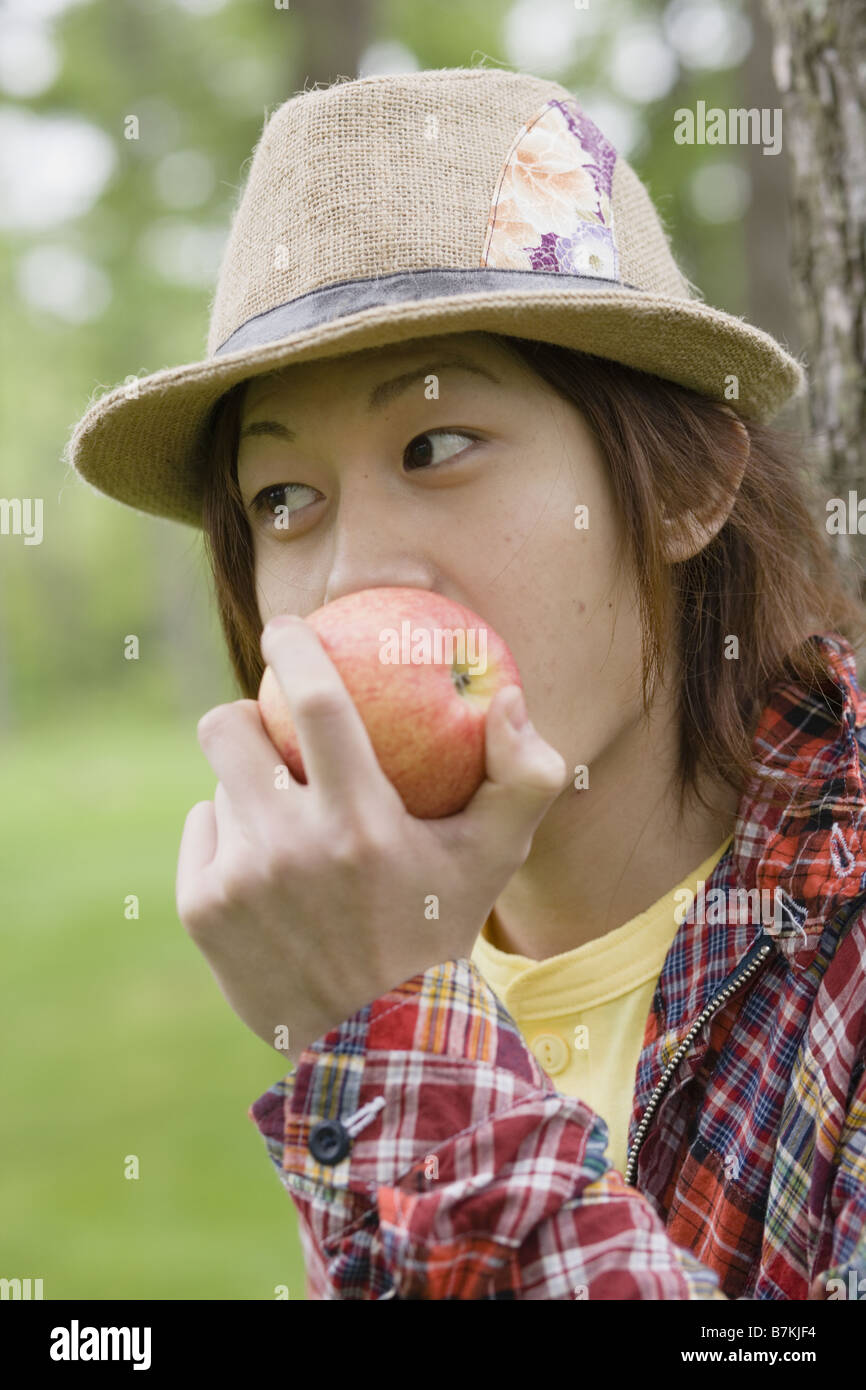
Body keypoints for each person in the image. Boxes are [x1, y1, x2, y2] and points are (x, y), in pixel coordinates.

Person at [66, 67, 866, 1301]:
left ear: (689, 482)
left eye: (435, 446)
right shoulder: (378, 941)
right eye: (283, 499)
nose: (350, 573)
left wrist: (393, 1042)